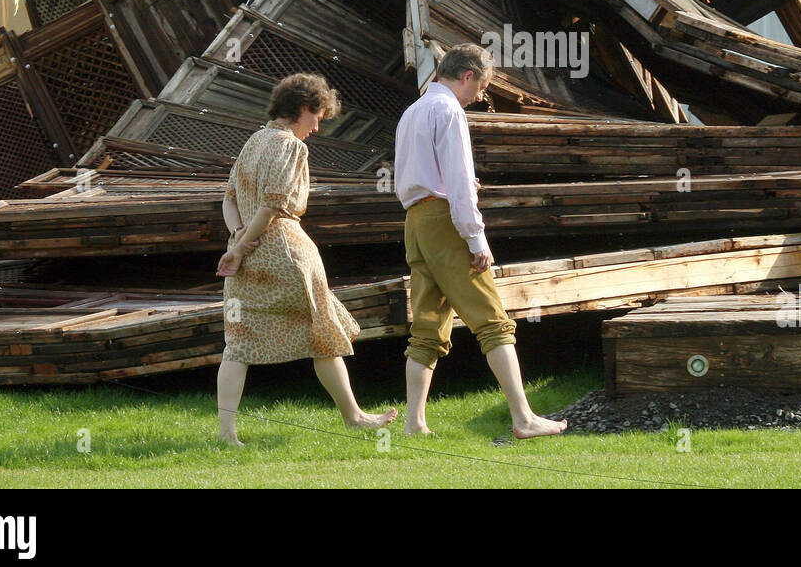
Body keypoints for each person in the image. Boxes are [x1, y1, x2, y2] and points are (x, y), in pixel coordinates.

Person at [394, 43, 567, 438]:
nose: (480, 97)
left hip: (416, 221)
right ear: (467, 75)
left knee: (426, 327)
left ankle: (414, 424)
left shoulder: (413, 110)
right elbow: (456, 184)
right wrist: (476, 240)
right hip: (444, 222)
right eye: (482, 87)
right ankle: (523, 418)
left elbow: (421, 175)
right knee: (493, 322)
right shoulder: (449, 110)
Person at [216, 72, 397, 444]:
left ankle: (226, 433)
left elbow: (229, 198)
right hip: (284, 252)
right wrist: (239, 247)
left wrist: (236, 239)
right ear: (303, 108)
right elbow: (271, 207)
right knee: (324, 334)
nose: (317, 126)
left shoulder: (255, 140)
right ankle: (354, 417)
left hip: (249, 256)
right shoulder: (291, 146)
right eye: (318, 116)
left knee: (238, 343)